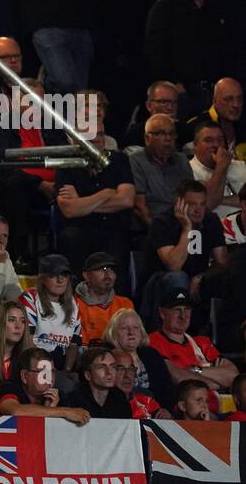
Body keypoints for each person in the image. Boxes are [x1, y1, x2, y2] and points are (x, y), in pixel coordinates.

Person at [144, 0, 226, 117]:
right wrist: (175, 84)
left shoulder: (216, 9)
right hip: (182, 94)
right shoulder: (164, 8)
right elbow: (155, 52)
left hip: (213, 92)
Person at [142, 178, 228, 327]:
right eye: (192, 204)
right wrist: (187, 228)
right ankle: (175, 330)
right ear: (179, 203)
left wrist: (202, 277)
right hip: (161, 281)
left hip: (198, 278)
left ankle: (219, 334)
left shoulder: (211, 220)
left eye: (202, 204)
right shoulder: (162, 222)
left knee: (226, 277)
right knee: (179, 277)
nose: (198, 210)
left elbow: (222, 262)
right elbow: (174, 265)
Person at [54, 138, 136, 292]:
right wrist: (106, 193)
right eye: (91, 140)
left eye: (101, 136)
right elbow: (69, 210)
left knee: (119, 239)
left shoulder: (119, 160)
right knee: (71, 237)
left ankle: (118, 304)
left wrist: (81, 202)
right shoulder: (66, 162)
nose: (97, 144)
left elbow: (126, 200)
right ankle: (75, 301)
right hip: (80, 228)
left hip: (112, 227)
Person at [148, 288, 237, 394]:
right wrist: (218, 383)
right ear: (162, 313)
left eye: (187, 309)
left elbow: (233, 375)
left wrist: (196, 370)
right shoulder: (153, 342)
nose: (183, 316)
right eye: (177, 309)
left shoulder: (202, 342)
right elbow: (181, 379)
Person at [0, 347, 90, 425]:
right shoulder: (9, 388)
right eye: (43, 372)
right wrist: (60, 412)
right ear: (25, 376)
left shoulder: (59, 396)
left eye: (52, 372)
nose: (49, 378)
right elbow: (15, 411)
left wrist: (51, 409)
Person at [103, 308, 176, 411]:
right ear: (113, 333)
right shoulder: (107, 357)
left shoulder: (152, 355)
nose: (131, 332)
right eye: (124, 328)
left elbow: (167, 392)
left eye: (135, 327)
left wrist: (165, 410)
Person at [19, 254, 81, 373]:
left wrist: (67, 371)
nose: (60, 280)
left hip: (61, 369)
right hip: (35, 367)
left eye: (64, 274)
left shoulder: (74, 303)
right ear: (42, 278)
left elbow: (73, 344)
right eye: (53, 275)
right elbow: (28, 341)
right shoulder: (30, 298)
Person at [130, 114, 192, 224]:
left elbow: (191, 196)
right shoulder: (135, 160)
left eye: (172, 133)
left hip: (182, 222)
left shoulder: (182, 159)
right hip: (152, 225)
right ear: (147, 138)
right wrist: (158, 231)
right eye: (161, 133)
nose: (168, 138)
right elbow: (139, 205)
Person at [188, 122, 246, 219]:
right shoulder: (189, 171)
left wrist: (220, 199)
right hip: (215, 230)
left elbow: (209, 199)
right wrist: (221, 167)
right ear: (195, 145)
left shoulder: (241, 166)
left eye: (220, 140)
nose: (216, 145)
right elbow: (208, 205)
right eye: (208, 140)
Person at [74, 252, 134, 344]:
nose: (108, 274)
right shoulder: (73, 303)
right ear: (86, 275)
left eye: (111, 270)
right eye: (102, 269)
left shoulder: (125, 304)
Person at [181, 77, 244, 156]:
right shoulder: (194, 127)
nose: (236, 104)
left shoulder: (243, 126)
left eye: (240, 99)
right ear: (214, 101)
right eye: (228, 99)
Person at [67, 346, 133, 419]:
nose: (109, 372)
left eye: (113, 366)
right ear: (88, 375)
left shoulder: (120, 398)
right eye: (101, 367)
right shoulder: (73, 399)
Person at [113, 348, 169, 420]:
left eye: (131, 369)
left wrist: (167, 418)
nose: (127, 376)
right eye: (120, 369)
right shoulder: (103, 401)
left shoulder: (145, 397)